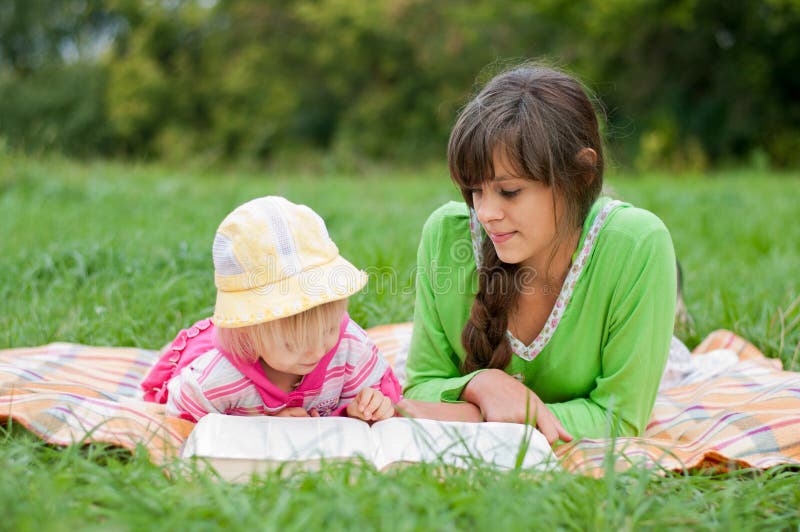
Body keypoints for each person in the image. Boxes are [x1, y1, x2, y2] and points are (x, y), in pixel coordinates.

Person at [399, 64, 677, 444]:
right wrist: (483, 384)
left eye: (509, 191)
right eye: (475, 190)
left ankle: (677, 308)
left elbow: (621, 418)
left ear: (580, 174)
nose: (485, 213)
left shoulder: (637, 246)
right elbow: (419, 389)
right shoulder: (446, 236)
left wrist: (481, 413)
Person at [141, 196, 401, 423]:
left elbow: (382, 393)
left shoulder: (348, 347)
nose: (317, 351)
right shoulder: (215, 380)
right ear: (249, 330)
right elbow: (181, 420)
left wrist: (364, 407)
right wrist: (265, 425)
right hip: (215, 357)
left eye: (329, 329)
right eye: (291, 344)